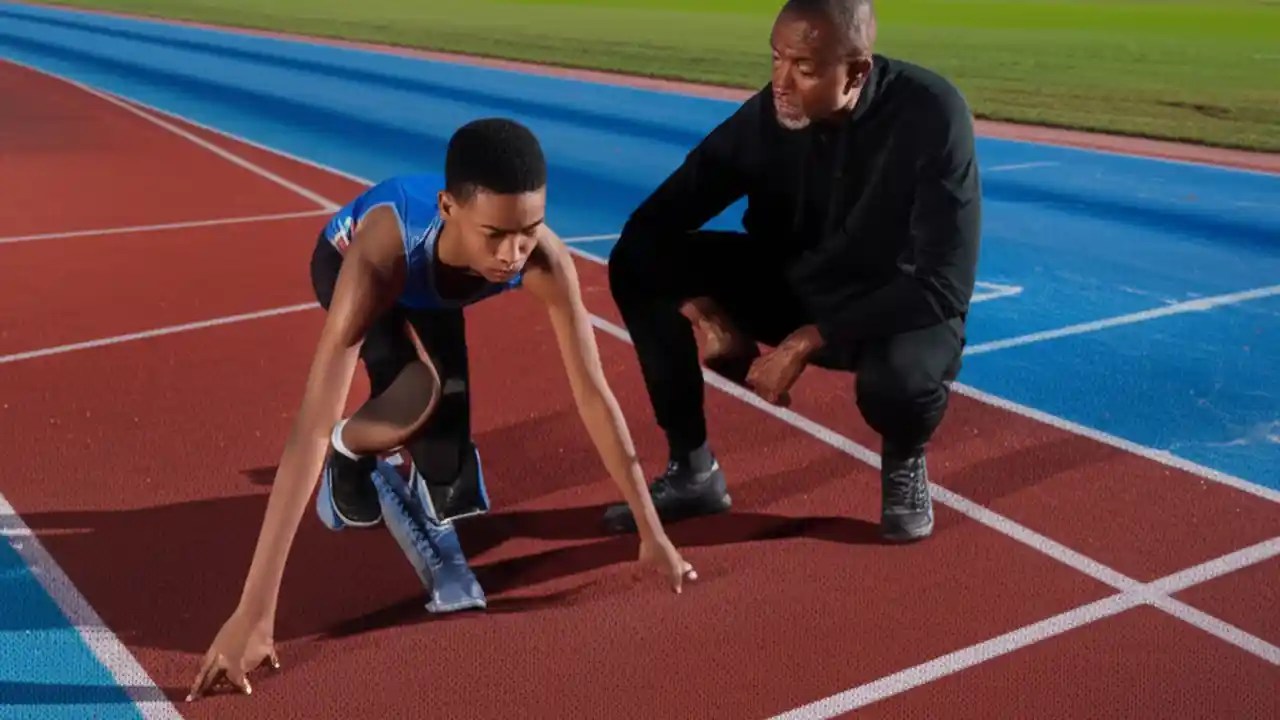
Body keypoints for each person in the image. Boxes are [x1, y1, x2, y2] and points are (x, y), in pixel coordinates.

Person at [187, 118, 696, 701]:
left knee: (450, 473)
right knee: (414, 393)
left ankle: (366, 445)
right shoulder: (381, 251)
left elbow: (592, 393)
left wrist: (651, 531)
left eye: (529, 230)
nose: (512, 255)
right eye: (496, 235)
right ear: (448, 208)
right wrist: (255, 611)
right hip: (367, 269)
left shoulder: (540, 257)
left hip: (438, 285)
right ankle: (351, 448)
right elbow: (307, 428)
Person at [602, 0, 981, 542]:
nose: (780, 81)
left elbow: (943, 284)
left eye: (803, 68)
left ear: (857, 71)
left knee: (898, 386)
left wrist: (806, 341)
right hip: (796, 283)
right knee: (635, 265)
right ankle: (693, 471)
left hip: (895, 303)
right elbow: (651, 226)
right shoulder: (769, 115)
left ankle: (904, 458)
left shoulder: (931, 114)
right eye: (776, 58)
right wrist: (706, 312)